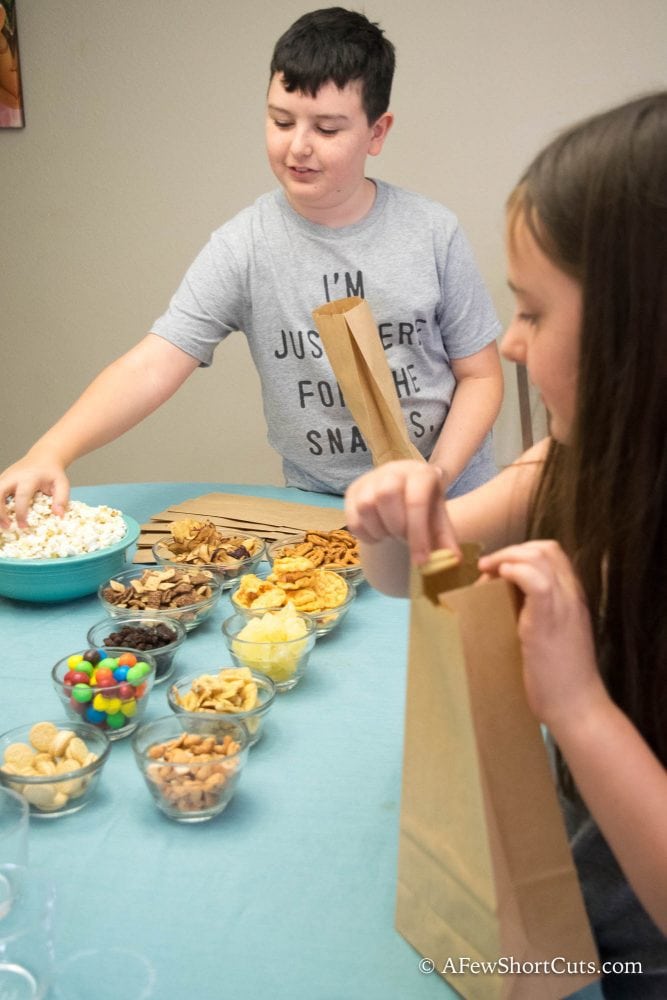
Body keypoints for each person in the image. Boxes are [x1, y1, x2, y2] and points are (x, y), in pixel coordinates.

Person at [345, 92, 667, 997]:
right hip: (577, 892)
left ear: (642, 332)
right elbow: (413, 571)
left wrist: (575, 706)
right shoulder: (568, 463)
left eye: (530, 312)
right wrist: (390, 515)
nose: (511, 346)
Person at [0, 6, 503, 529]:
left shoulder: (432, 232)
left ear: (377, 132)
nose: (297, 146)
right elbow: (153, 364)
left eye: (327, 129)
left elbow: (482, 377)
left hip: (455, 502)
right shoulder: (245, 245)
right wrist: (52, 448)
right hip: (325, 512)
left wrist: (436, 474)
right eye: (281, 121)